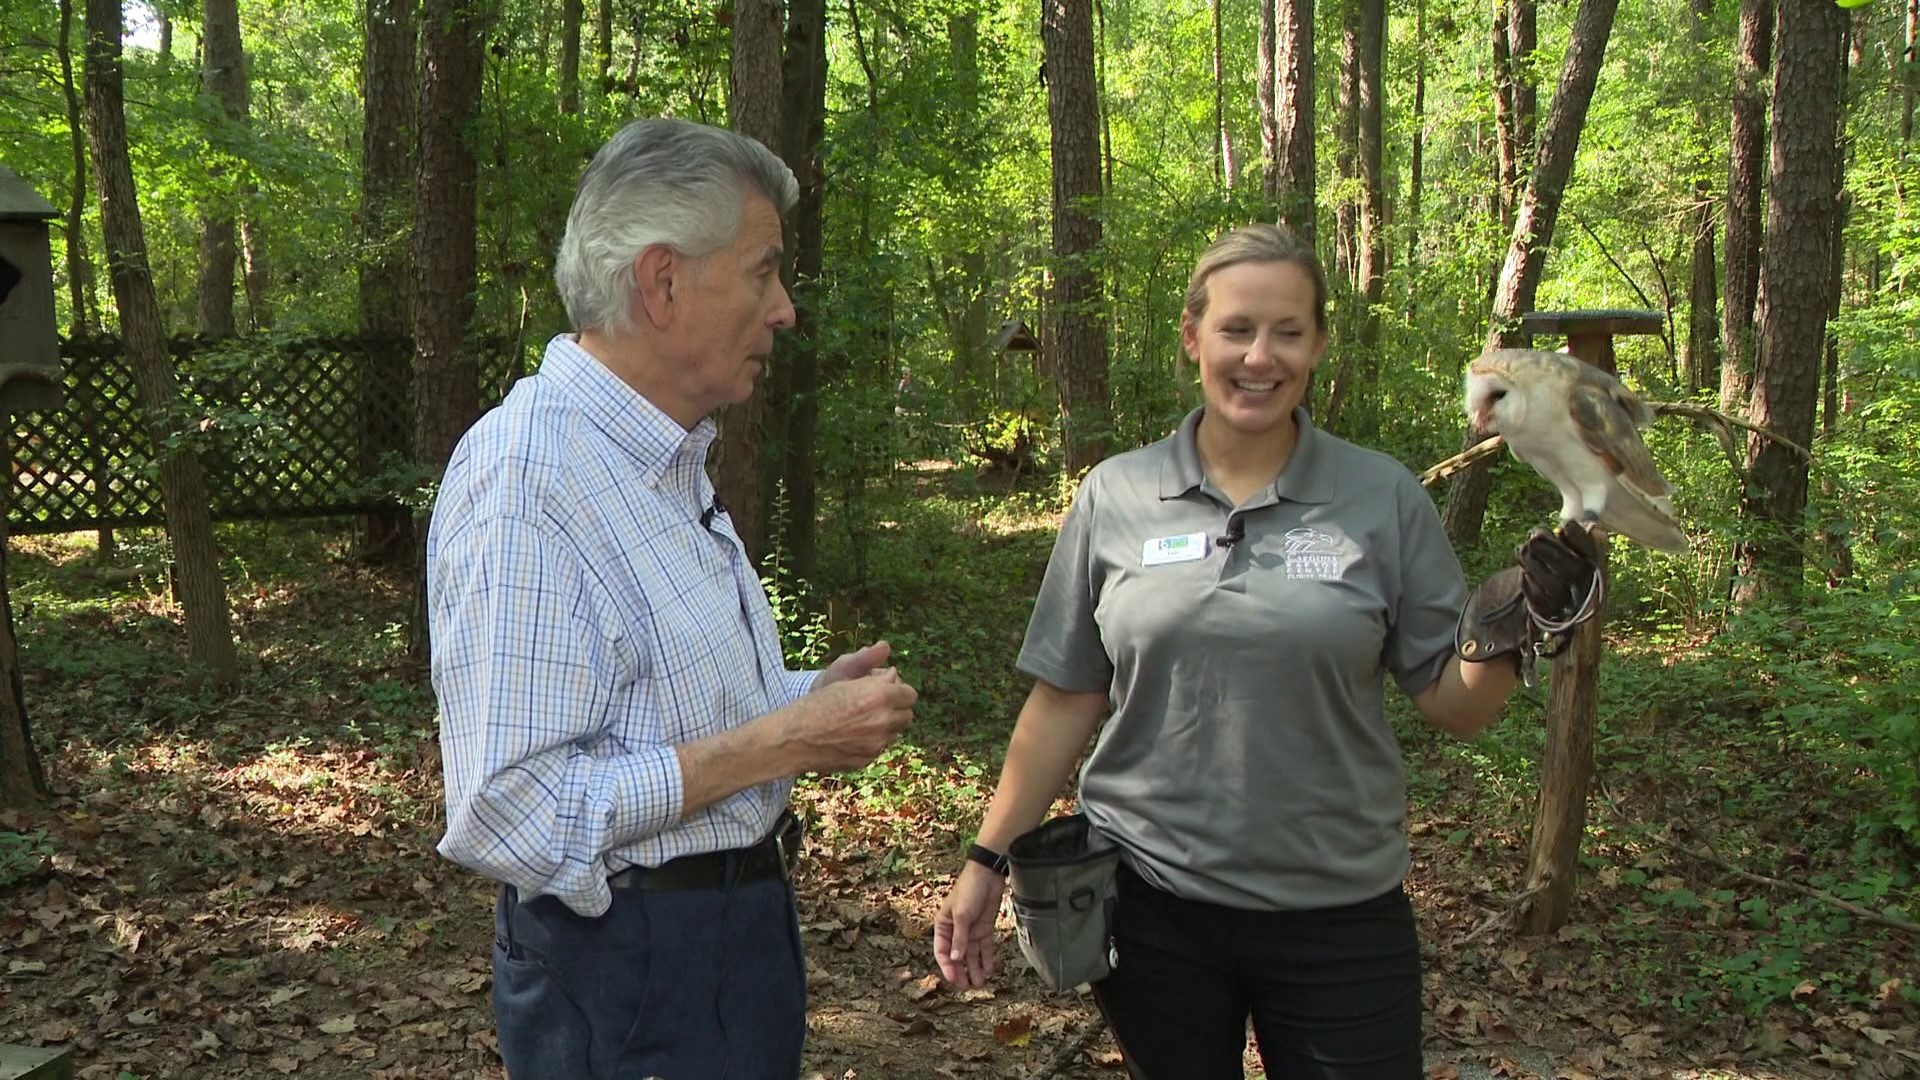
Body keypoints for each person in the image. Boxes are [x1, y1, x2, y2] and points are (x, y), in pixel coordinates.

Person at [932, 224, 1599, 1079]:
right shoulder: (1118, 494)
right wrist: (986, 862)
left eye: (1288, 331)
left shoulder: (1381, 497)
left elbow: (1457, 703)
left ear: (1318, 343)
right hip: (1150, 906)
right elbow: (1065, 698)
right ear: (1192, 336)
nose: (1260, 356)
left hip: (1339, 912)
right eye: (1237, 329)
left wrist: (1515, 628)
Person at [428, 117, 919, 1080]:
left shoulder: (659, 456)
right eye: (763, 271)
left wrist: (806, 695)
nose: (782, 310)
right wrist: (786, 743)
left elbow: (649, 701)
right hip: (633, 968)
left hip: (724, 939)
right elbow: (510, 813)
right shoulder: (531, 478)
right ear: (663, 282)